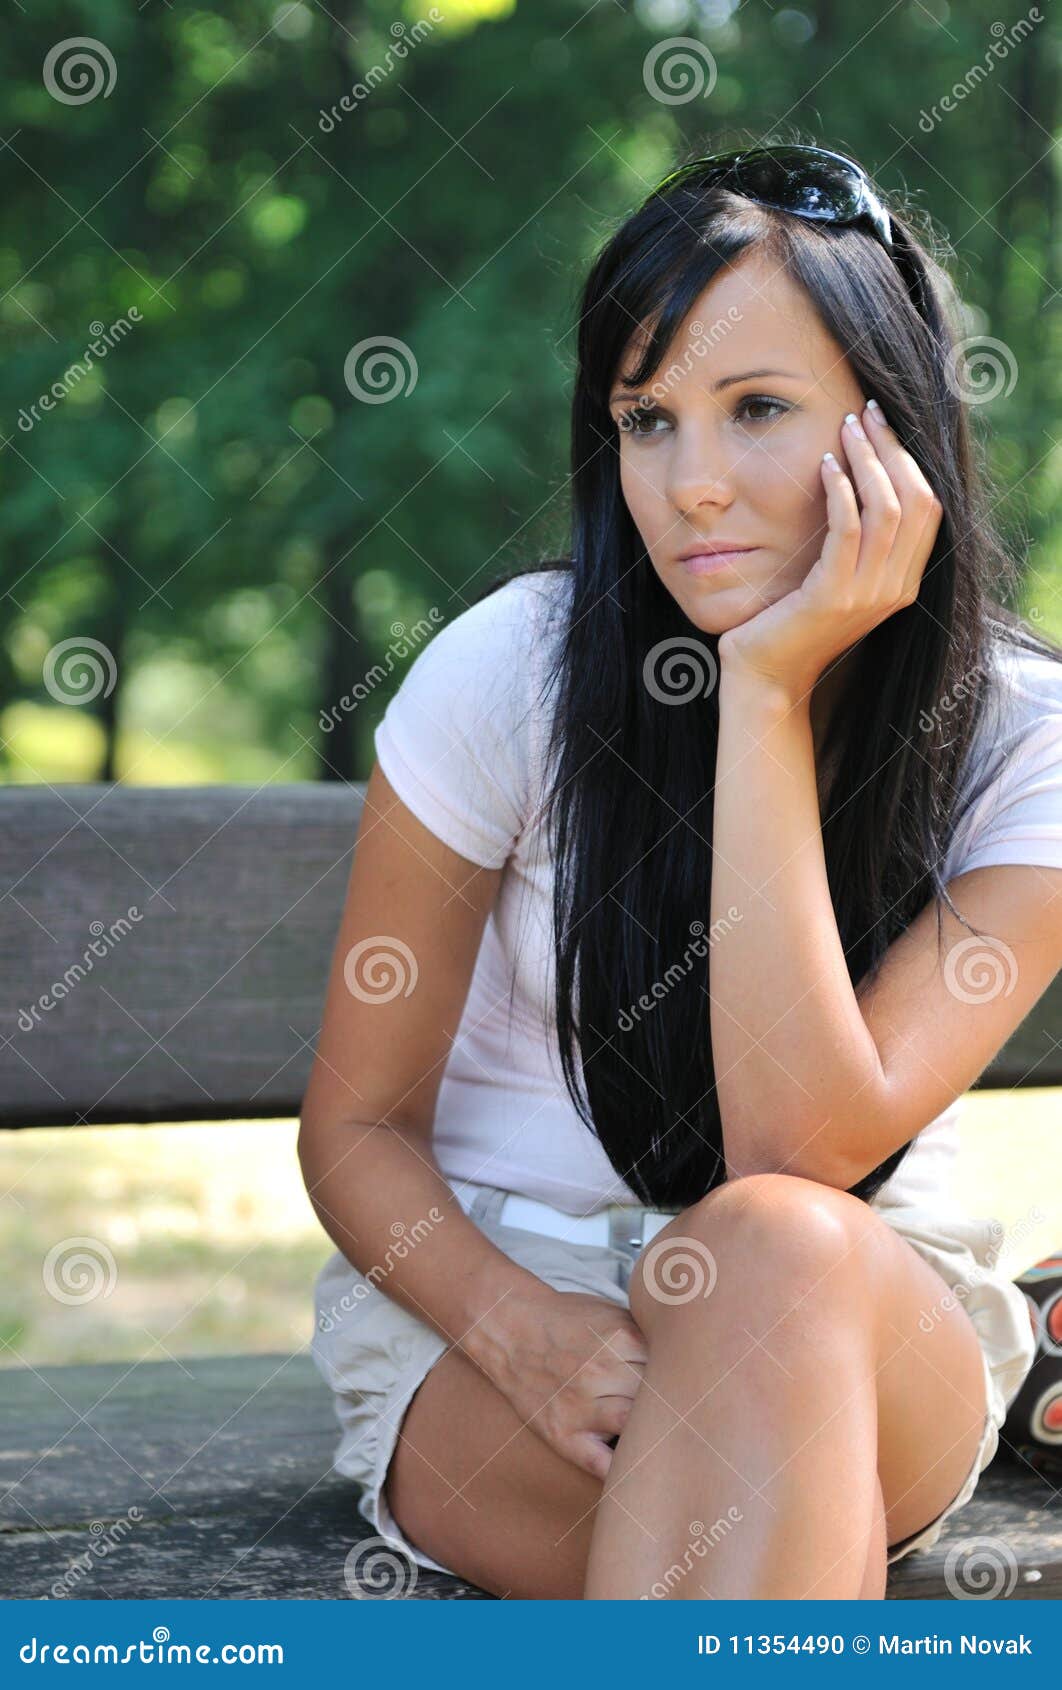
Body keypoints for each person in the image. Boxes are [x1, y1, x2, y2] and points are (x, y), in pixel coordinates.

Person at [298, 143, 1062, 1600]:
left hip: (854, 1316)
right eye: (646, 421)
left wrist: (762, 698)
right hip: (506, 1331)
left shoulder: (1025, 742)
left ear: (894, 426)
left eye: (756, 409)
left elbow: (795, 1155)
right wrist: (522, 1326)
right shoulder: (508, 673)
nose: (688, 486)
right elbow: (358, 1128)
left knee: (766, 1245)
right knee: (737, 1525)